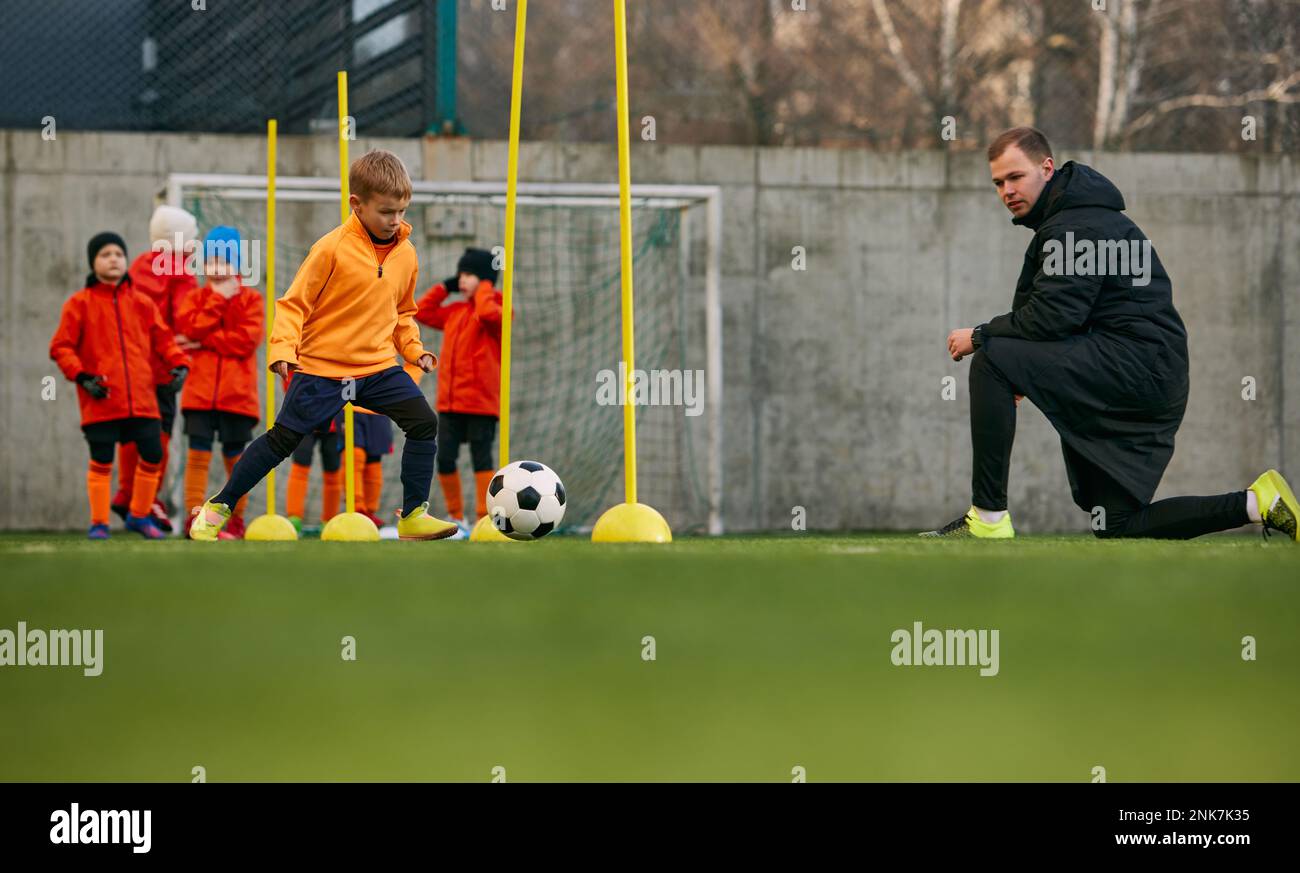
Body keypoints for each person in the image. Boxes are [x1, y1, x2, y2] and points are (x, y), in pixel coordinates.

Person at [925, 127, 1297, 541]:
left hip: (1132, 367)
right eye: (998, 182)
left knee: (992, 357)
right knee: (1116, 523)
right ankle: (1257, 502)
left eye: (1016, 177)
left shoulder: (1077, 225)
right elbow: (1064, 315)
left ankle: (988, 518)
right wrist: (1023, 372)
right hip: (1146, 375)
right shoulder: (1079, 217)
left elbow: (1053, 317)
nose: (1007, 190)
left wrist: (980, 335)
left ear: (1046, 168)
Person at [188, 149, 458, 541]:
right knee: (282, 441)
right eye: (386, 212)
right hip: (322, 369)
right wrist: (283, 350)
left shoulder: (407, 253)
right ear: (357, 204)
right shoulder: (330, 249)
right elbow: (293, 304)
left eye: (402, 210)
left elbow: (403, 312)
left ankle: (413, 515)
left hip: (377, 369)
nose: (396, 220)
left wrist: (414, 350)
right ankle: (219, 506)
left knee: (424, 423)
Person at [50, 232, 189, 539]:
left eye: (118, 254)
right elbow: (61, 347)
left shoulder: (142, 303)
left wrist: (180, 364)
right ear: (93, 262)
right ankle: (99, 523)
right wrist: (82, 376)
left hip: (142, 399)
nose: (113, 258)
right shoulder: (78, 304)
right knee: (102, 460)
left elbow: (164, 340)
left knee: (153, 454)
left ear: (126, 261)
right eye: (105, 254)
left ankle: (139, 516)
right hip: (101, 401)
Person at [175, 226, 264, 539]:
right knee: (197, 456)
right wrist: (215, 300)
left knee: (237, 462)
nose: (217, 267)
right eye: (211, 259)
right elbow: (187, 327)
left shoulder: (252, 300)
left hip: (236, 396)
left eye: (224, 260)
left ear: (238, 264)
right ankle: (193, 517)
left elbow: (244, 341)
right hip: (198, 394)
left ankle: (235, 520)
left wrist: (203, 341)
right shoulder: (197, 298)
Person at [116, 205, 200, 530]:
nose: (195, 245)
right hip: (164, 368)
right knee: (159, 434)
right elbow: (186, 319)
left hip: (133, 369)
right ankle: (148, 497)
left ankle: (127, 493)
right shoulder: (179, 272)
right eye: (191, 240)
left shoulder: (136, 268)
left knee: (131, 431)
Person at [415, 247, 504, 536]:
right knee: (445, 459)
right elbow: (422, 311)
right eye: (461, 274)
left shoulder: (498, 307)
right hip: (450, 404)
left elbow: (489, 313)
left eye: (469, 275)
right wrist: (445, 287)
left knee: (482, 459)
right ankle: (457, 517)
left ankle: (482, 517)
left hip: (481, 404)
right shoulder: (454, 312)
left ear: (485, 280)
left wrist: (487, 285)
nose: (462, 280)